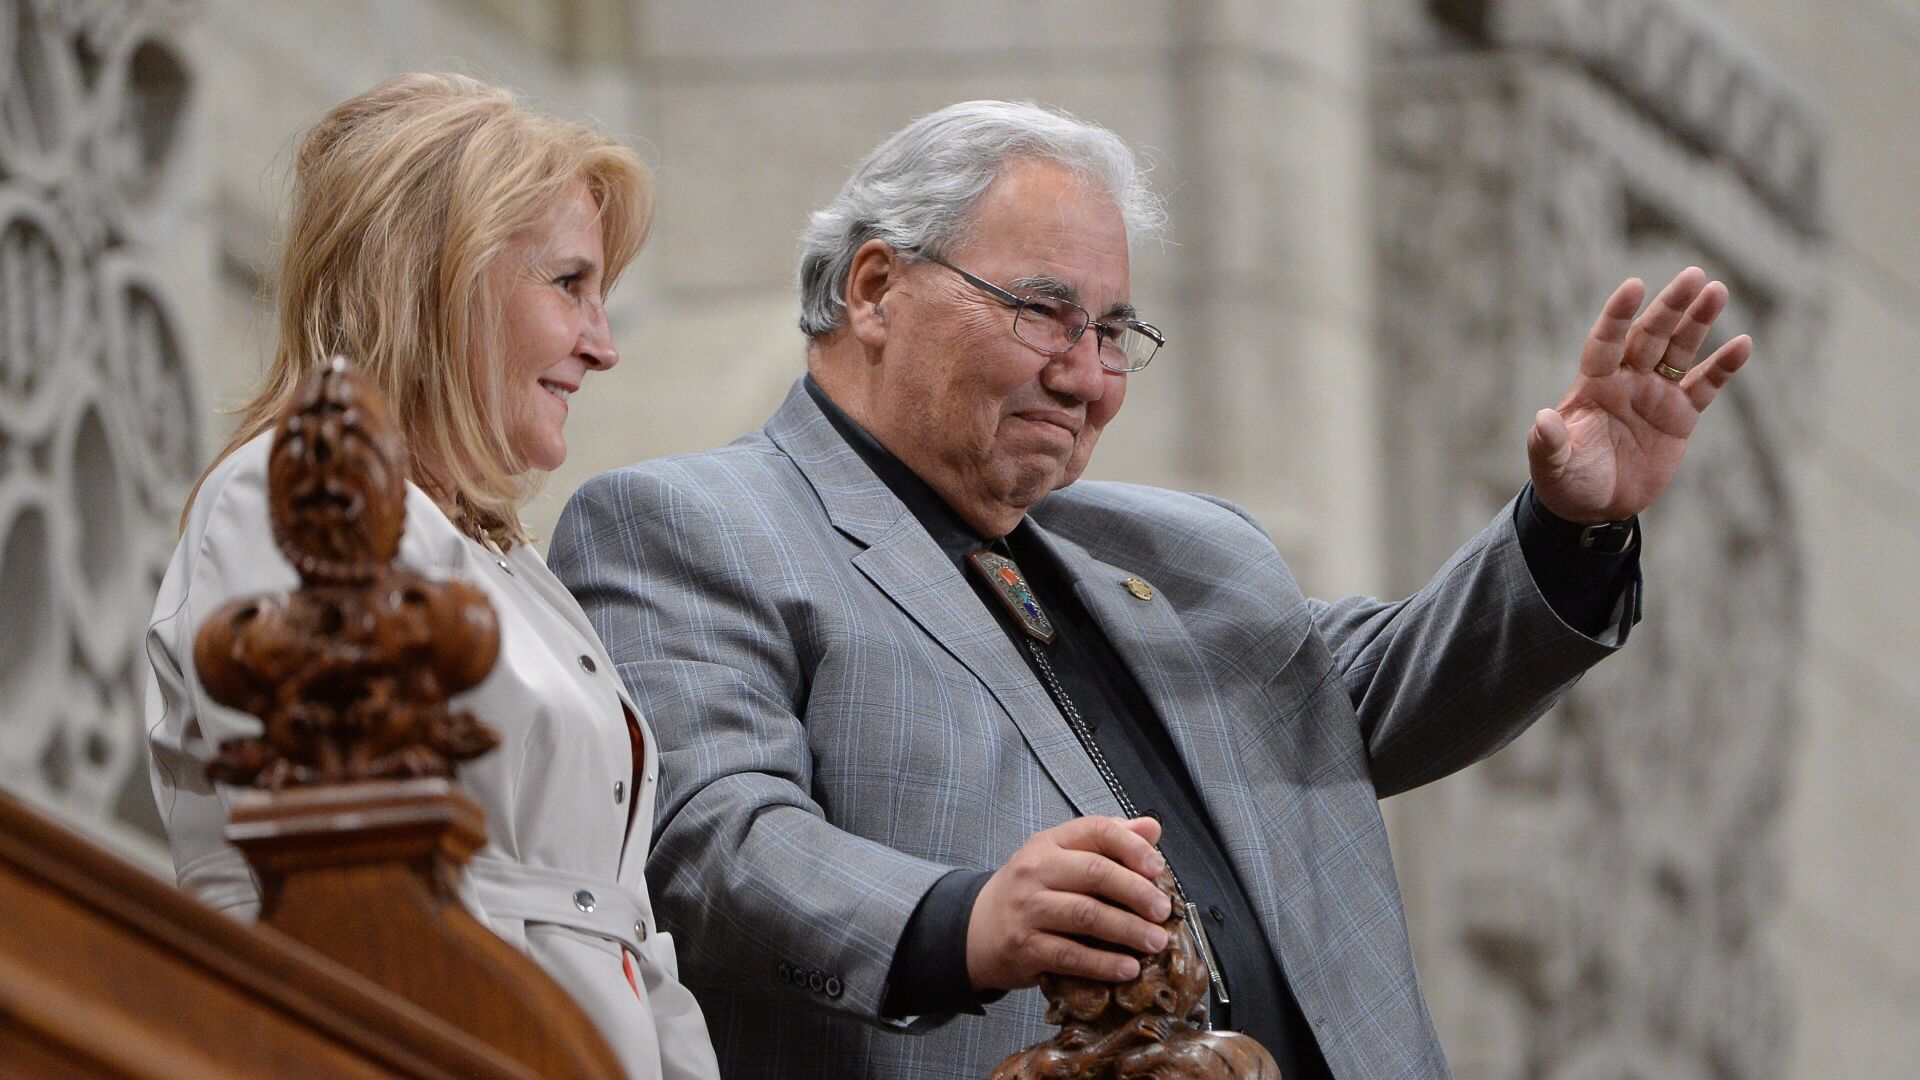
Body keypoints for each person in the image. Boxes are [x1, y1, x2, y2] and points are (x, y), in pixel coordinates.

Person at [548, 100, 1750, 1079]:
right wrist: (966, 922)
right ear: (873, 289)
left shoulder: (1182, 549)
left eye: (1115, 330)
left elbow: (1385, 690)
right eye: (1044, 313)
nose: (1087, 376)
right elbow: (711, 848)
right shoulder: (694, 524)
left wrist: (1568, 529)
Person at [143, 73, 719, 1080]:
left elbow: (613, 930)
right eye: (569, 284)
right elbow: (347, 889)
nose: (605, 344)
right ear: (438, 280)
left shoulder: (504, 559)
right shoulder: (287, 500)